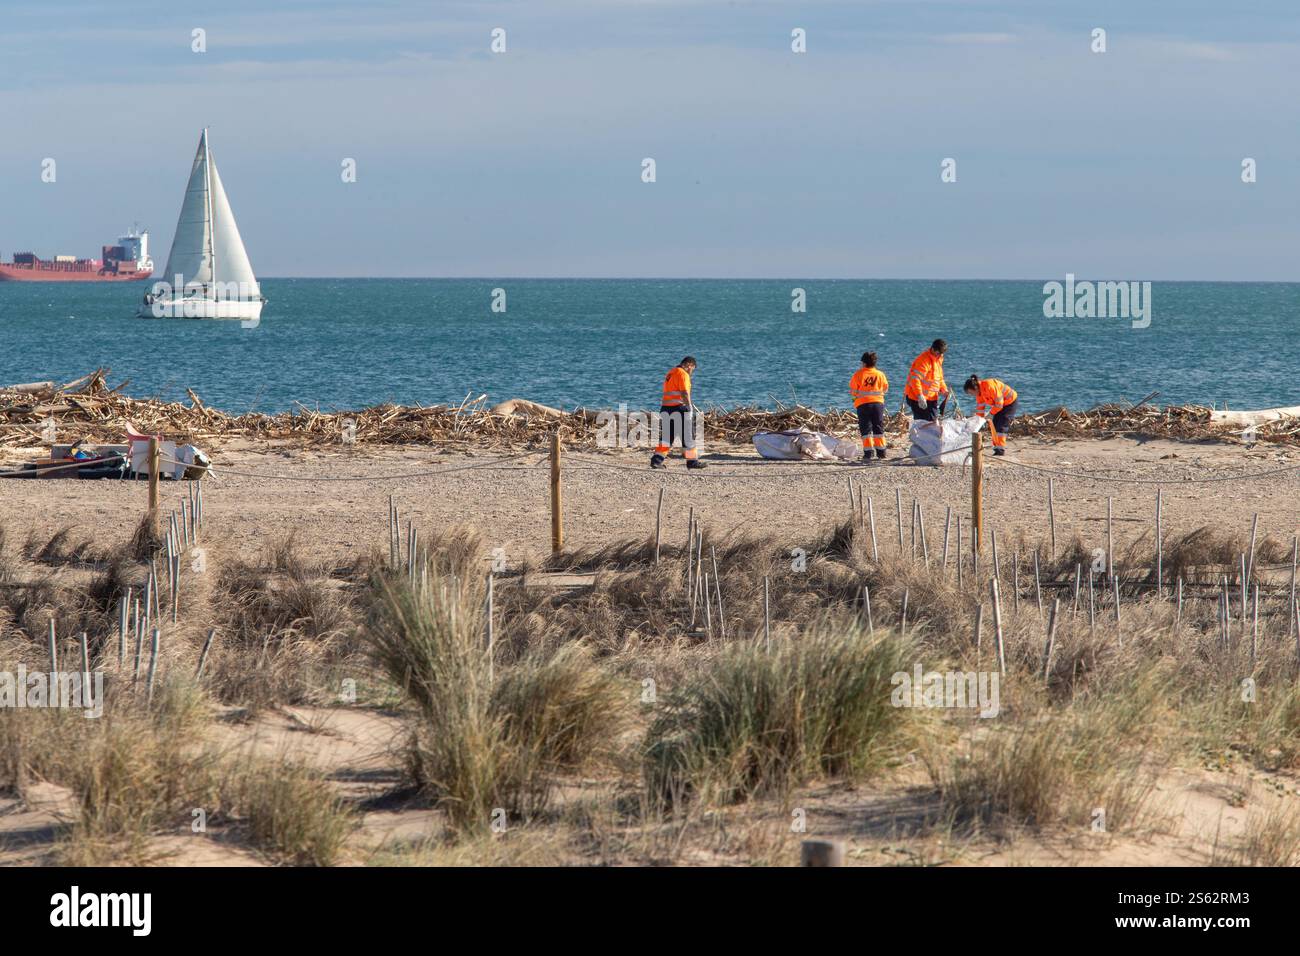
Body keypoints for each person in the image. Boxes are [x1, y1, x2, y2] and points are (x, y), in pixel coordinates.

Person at [651, 356, 707, 470]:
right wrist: (689, 407)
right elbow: (684, 393)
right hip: (680, 409)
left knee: (667, 437)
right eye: (692, 369)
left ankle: (656, 461)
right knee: (688, 437)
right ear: (689, 365)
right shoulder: (683, 374)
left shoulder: (671, 372)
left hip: (666, 408)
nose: (691, 372)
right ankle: (692, 461)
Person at [964, 374, 1019, 455]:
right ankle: (997, 448)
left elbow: (999, 404)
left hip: (1010, 402)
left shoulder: (989, 385)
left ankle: (1000, 450)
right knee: (994, 424)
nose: (971, 395)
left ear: (975, 388)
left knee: (1001, 426)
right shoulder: (979, 394)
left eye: (971, 392)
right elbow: (980, 408)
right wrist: (979, 420)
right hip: (1000, 406)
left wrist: (991, 414)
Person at [849, 351, 889, 462]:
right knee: (878, 427)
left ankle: (868, 453)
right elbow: (885, 388)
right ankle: (881, 452)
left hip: (863, 405)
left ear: (864, 363)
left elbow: (853, 391)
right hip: (878, 404)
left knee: (865, 429)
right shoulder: (880, 374)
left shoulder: (858, 374)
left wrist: (856, 397)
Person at [905, 339, 949, 422]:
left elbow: (939, 378)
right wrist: (920, 396)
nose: (939, 355)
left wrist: (944, 390)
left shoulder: (938, 359)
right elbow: (915, 379)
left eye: (941, 353)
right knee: (921, 424)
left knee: (932, 423)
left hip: (931, 398)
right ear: (933, 349)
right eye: (938, 353)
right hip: (917, 398)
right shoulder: (923, 360)